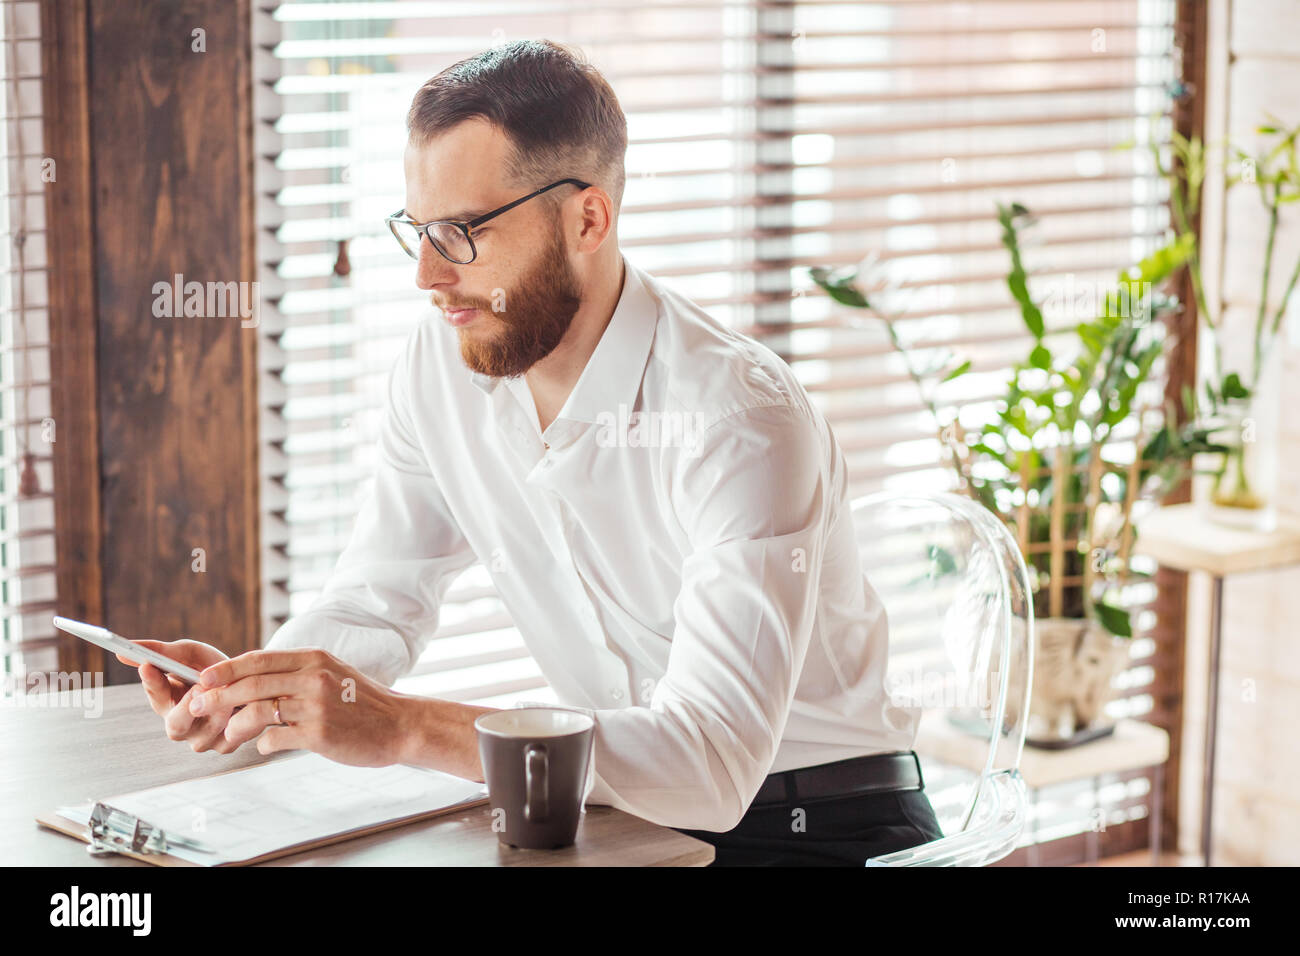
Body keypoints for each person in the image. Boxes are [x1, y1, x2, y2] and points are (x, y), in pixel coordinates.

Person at [122, 39, 944, 866]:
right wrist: (264, 688)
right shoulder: (439, 366)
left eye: (463, 232)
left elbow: (711, 767)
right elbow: (377, 600)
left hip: (822, 826)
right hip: (607, 812)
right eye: (417, 230)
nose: (428, 276)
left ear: (588, 218)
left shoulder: (736, 418)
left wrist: (403, 726)